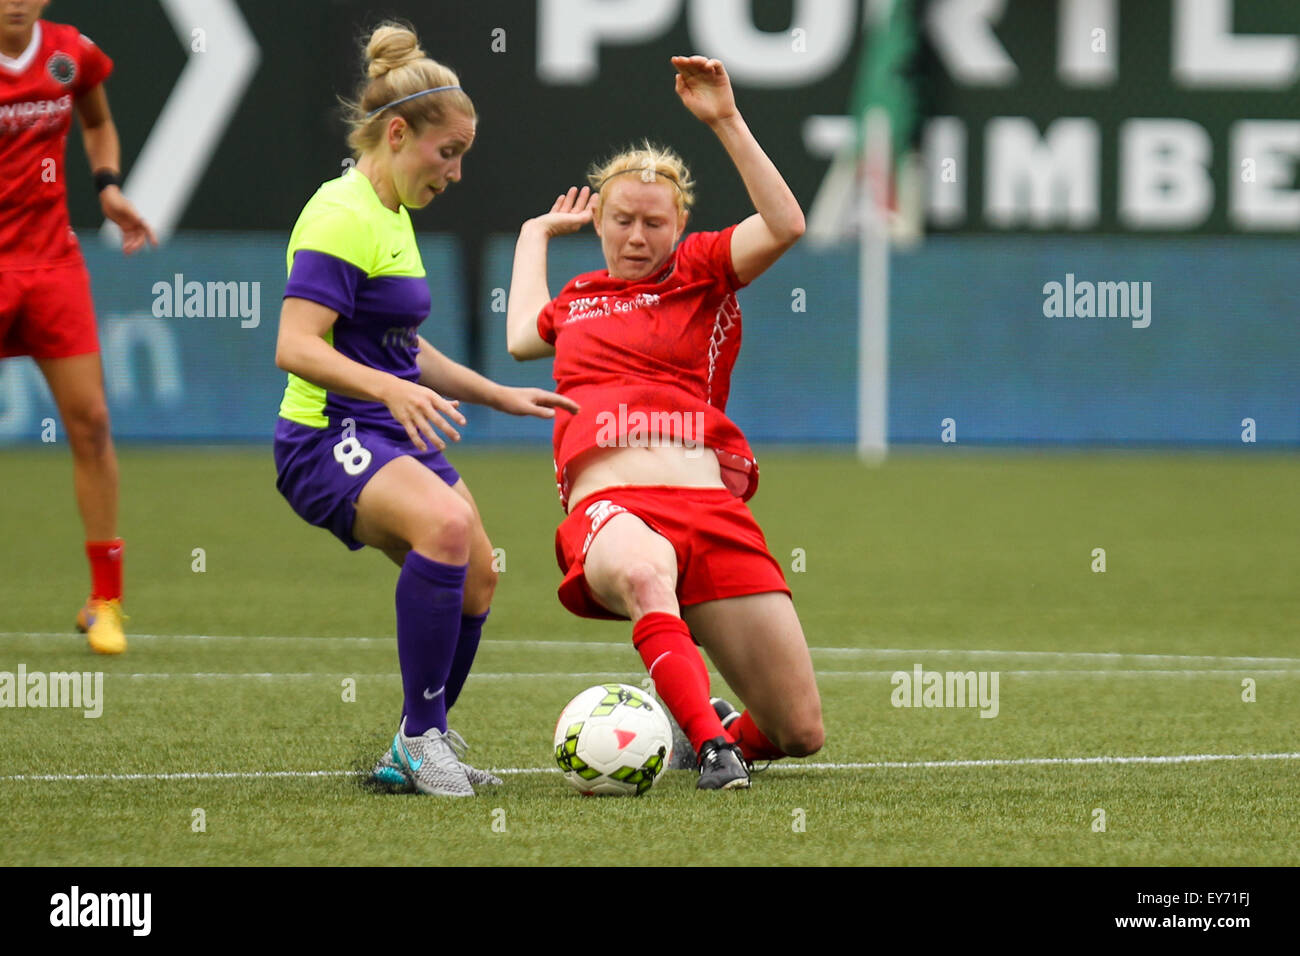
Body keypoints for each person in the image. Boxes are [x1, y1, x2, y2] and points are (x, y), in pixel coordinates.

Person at [273, 22, 576, 797]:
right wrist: (394, 389)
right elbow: (297, 347)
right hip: (325, 435)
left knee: (478, 574)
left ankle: (423, 739)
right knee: (443, 529)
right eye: (450, 153)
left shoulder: (394, 218)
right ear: (398, 133)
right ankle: (418, 740)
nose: (458, 172)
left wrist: (494, 392)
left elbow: (407, 349)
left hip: (383, 423)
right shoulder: (341, 214)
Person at [506, 56, 824, 790]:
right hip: (612, 509)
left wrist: (725, 120)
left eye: (655, 222)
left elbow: (786, 223)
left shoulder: (703, 272)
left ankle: (698, 729)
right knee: (647, 575)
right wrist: (535, 234)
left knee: (798, 731)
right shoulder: (579, 298)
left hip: (710, 509)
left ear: (679, 225)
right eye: (622, 220)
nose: (638, 236)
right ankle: (715, 750)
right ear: (602, 222)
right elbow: (523, 333)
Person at [1, 0, 156, 655]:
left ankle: (105, 601)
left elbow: (97, 120)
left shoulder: (71, 53)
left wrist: (109, 187)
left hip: (50, 263)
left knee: (91, 422)